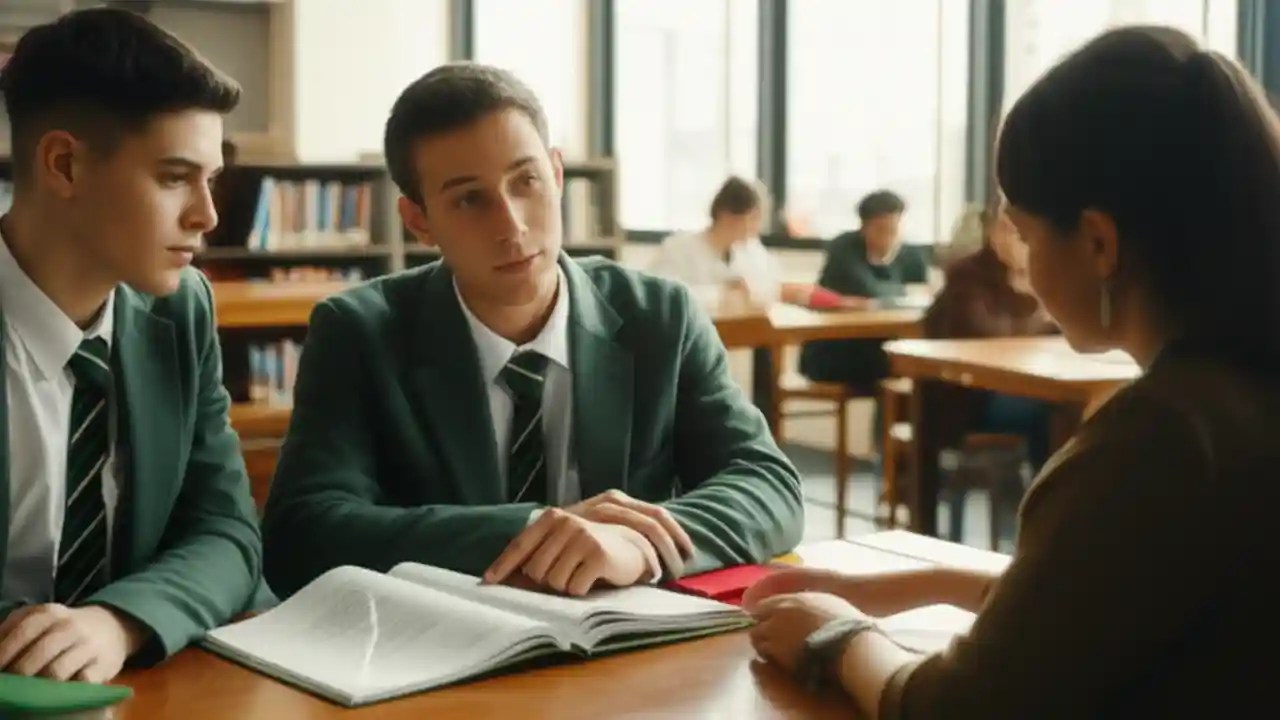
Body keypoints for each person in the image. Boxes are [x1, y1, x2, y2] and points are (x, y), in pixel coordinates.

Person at [744, 25, 1280, 718]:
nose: (1020, 260)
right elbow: (1101, 600)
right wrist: (921, 583)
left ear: (1097, 242)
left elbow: (958, 707)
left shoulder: (1161, 436)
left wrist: (839, 636)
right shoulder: (1237, 399)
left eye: (1025, 235)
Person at [262, 62, 803, 600]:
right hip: (445, 655)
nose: (512, 225)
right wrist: (532, 530)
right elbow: (302, 534)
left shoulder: (660, 317)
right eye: (470, 199)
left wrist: (636, 544)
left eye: (526, 181)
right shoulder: (358, 333)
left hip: (629, 651)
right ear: (419, 221)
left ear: (557, 174)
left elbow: (767, 485)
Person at [0, 8, 263, 683]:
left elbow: (226, 532)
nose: (208, 214)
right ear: (63, 165)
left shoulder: (182, 308)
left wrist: (117, 620)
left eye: (212, 178)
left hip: (135, 686)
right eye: (176, 177)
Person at [921, 205, 1058, 543]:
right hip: (969, 398)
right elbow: (982, 331)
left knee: (1075, 408)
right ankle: (1047, 520)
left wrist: (1034, 314)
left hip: (1017, 384)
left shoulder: (1035, 274)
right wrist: (1034, 314)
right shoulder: (968, 274)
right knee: (1053, 412)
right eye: (1017, 236)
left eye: (1029, 238)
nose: (1024, 245)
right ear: (996, 235)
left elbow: (1056, 326)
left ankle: (1060, 517)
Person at [799, 191, 931, 391]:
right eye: (880, 230)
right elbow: (869, 290)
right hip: (835, 351)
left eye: (893, 230)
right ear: (863, 228)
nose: (888, 238)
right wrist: (902, 296)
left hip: (883, 345)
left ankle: (894, 420)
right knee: (903, 364)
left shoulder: (911, 256)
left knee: (918, 366)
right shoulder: (843, 249)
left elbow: (923, 298)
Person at [649, 176, 780, 307]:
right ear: (727, 216)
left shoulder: (751, 251)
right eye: (752, 218)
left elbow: (770, 290)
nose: (756, 227)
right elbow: (661, 296)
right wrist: (720, 293)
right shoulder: (678, 248)